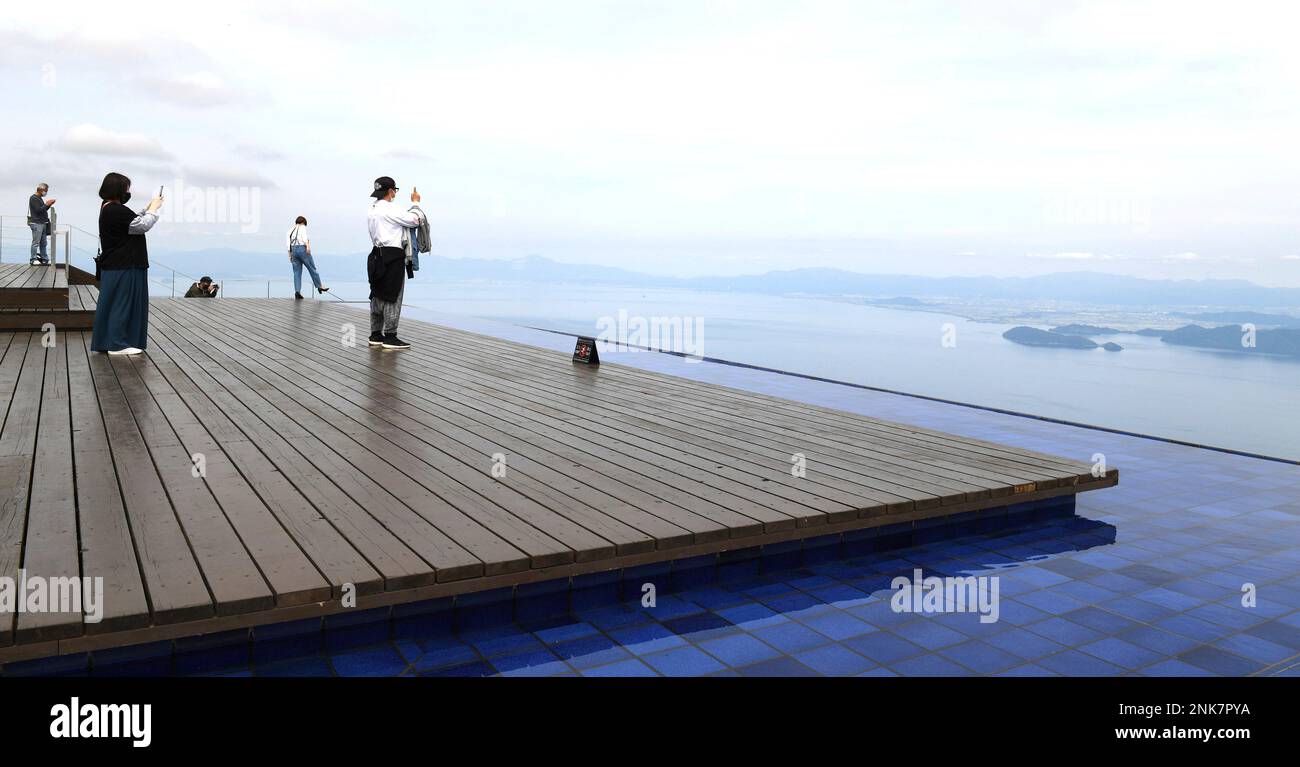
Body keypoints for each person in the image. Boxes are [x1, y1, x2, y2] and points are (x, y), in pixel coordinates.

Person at [91, 172, 162, 355]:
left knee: (113, 304)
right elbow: (141, 226)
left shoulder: (107, 207)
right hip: (125, 264)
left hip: (115, 264)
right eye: (126, 188)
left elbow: (130, 223)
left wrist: (146, 209)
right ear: (119, 189)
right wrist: (154, 209)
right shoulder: (116, 210)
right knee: (123, 304)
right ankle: (118, 344)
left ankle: (107, 341)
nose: (128, 192)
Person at [366, 176, 425, 350]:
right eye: (395, 191)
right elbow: (415, 220)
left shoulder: (372, 209)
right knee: (393, 295)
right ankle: (390, 337)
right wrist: (416, 203)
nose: (395, 194)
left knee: (377, 295)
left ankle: (376, 334)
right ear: (391, 191)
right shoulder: (390, 209)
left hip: (376, 254)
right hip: (392, 254)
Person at [286, 215, 328, 299]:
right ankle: (319, 286)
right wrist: (308, 247)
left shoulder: (290, 230)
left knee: (296, 273)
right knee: (312, 268)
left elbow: (288, 244)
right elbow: (305, 238)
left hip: (293, 250)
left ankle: (297, 291)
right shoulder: (302, 227)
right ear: (303, 222)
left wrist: (289, 254)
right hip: (302, 249)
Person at [28, 183, 55, 265]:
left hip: (42, 223)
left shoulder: (39, 198)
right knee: (36, 242)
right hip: (36, 223)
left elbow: (42, 210)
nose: (46, 192)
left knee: (43, 243)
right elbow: (38, 211)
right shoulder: (33, 198)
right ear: (41, 190)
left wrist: (48, 205)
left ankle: (45, 259)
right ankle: (33, 259)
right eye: (45, 191)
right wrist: (47, 204)